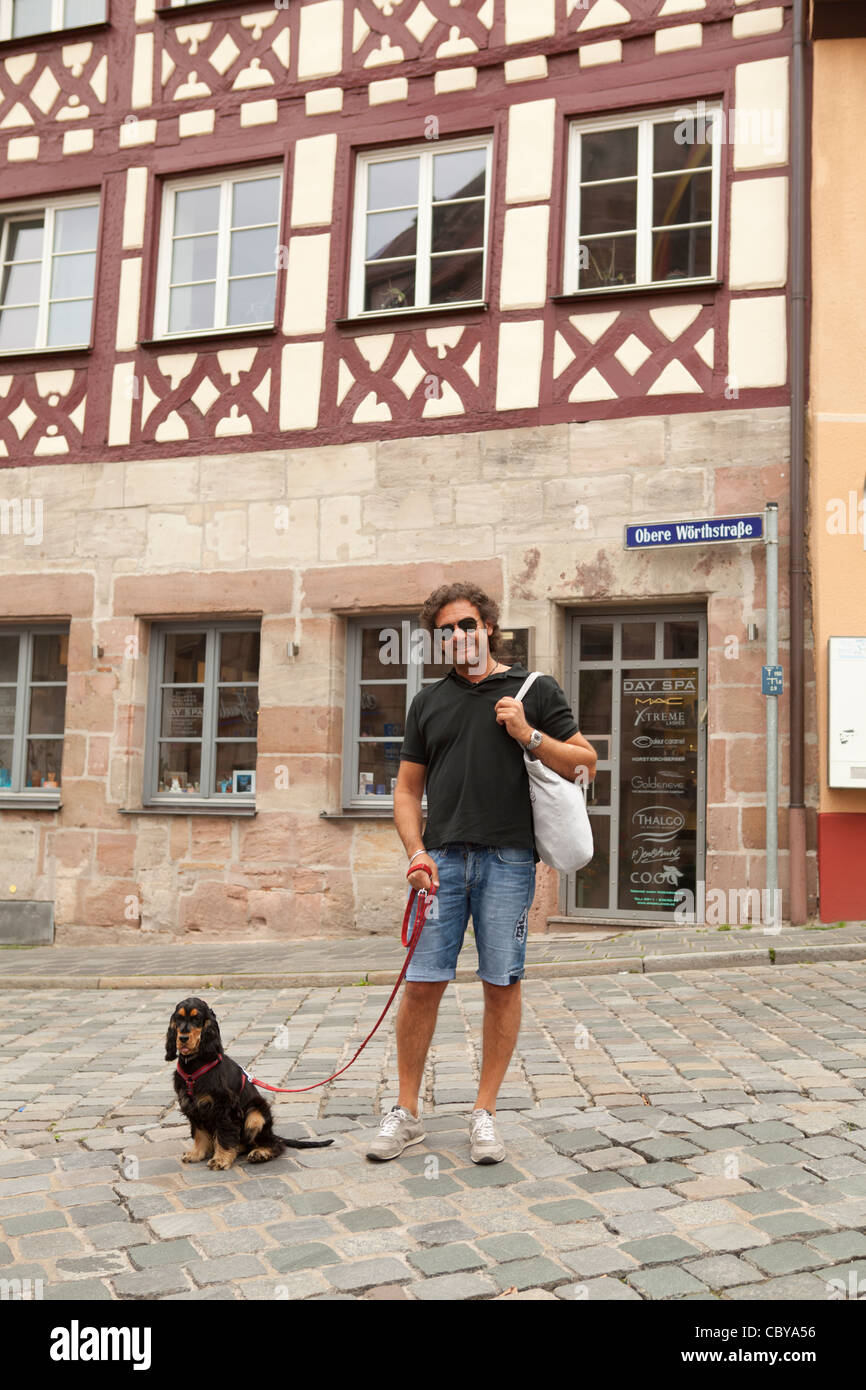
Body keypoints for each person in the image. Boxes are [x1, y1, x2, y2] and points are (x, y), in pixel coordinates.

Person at [366, 582, 597, 1164]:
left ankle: (485, 1113)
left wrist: (528, 733)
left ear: (487, 626)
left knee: (502, 982)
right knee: (422, 985)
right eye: (445, 630)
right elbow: (406, 790)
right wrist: (415, 852)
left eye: (467, 625)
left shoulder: (534, 690)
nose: (458, 637)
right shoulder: (427, 703)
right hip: (440, 863)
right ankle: (407, 1112)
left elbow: (586, 760)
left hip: (508, 861)